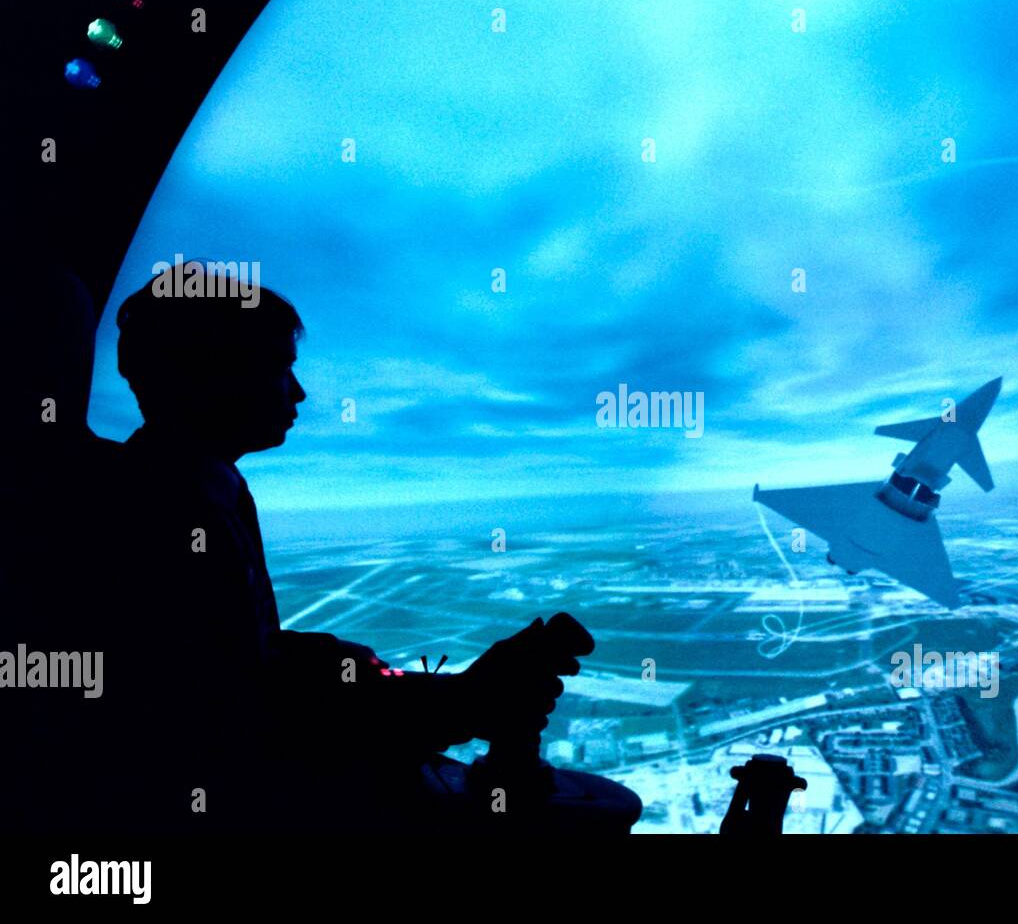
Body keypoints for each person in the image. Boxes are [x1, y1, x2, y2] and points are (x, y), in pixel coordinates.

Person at [95, 260, 636, 832]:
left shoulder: (198, 486)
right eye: (281, 367)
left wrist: (351, 666)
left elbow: (246, 663)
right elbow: (232, 724)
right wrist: (463, 702)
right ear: (211, 372)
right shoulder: (161, 513)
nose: (299, 392)